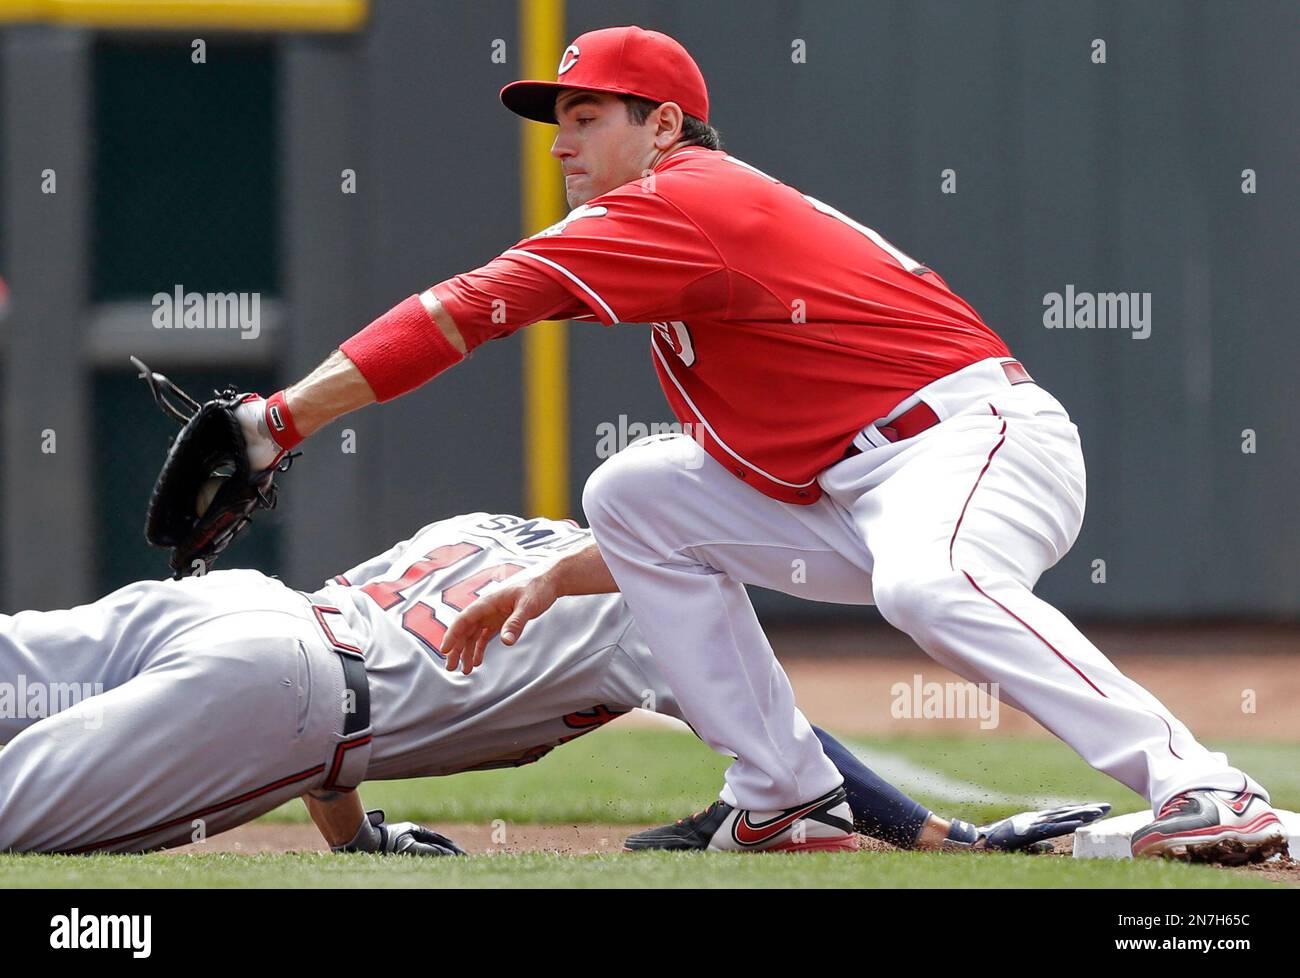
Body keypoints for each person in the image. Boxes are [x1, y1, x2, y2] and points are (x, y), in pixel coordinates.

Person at [228, 26, 1285, 864]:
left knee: (926, 584)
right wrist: (555, 580)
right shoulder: (684, 264)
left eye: (586, 117)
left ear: (664, 126)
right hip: (864, 484)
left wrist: (279, 421)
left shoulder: (686, 200)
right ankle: (785, 797)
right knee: (635, 490)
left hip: (972, 442)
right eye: (556, 119)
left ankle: (1203, 785)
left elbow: (465, 307)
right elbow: (720, 508)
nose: (559, 142)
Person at [0, 509, 1102, 854]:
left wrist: (359, 845)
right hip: (277, 693)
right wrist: (944, 842)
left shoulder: (487, 523)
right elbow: (795, 764)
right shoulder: (644, 598)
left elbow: (316, 668)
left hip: (238, 610)